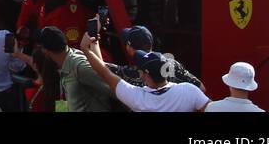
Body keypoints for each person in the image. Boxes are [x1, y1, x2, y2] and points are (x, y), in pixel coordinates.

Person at [77, 34, 209, 112]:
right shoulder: (189, 91)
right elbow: (211, 107)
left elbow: (105, 73)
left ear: (143, 74)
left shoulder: (137, 98)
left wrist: (85, 48)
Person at [17, 25, 111, 111]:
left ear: (46, 50)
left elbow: (113, 88)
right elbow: (63, 107)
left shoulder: (79, 66)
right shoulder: (61, 68)